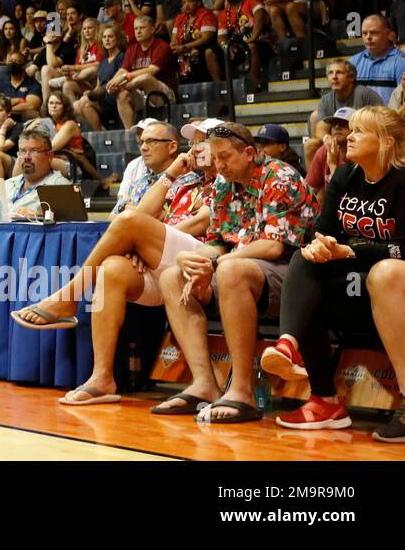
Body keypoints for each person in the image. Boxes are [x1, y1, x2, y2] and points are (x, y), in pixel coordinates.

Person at [11, 137, 216, 403]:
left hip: (198, 257)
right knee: (111, 269)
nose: (195, 147)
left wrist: (144, 241)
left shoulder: (225, 181)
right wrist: (171, 174)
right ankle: (102, 377)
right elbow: (144, 214)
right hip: (163, 261)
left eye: (203, 142)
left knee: (127, 221)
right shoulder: (185, 183)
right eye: (193, 142)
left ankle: (68, 297)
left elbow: (199, 223)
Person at [155, 122, 317, 423]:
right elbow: (217, 243)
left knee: (231, 270)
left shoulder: (279, 177)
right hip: (242, 266)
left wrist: (216, 264)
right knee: (172, 276)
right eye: (214, 158)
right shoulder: (220, 185)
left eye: (225, 157)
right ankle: (204, 384)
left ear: (250, 153)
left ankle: (242, 390)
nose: (219, 165)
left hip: (296, 275)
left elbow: (273, 247)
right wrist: (193, 260)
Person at [261, 107, 405, 440]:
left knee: (384, 272)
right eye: (349, 129)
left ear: (386, 142)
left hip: (394, 289)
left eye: (359, 131)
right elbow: (323, 231)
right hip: (357, 287)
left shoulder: (401, 181)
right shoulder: (344, 176)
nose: (347, 136)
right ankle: (312, 383)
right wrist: (318, 245)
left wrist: (352, 250)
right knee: (305, 259)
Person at [306, 58, 383, 169]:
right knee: (311, 144)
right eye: (330, 73)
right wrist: (327, 138)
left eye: (339, 72)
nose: (334, 77)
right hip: (338, 140)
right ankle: (312, 182)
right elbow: (320, 129)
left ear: (351, 77)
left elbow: (381, 124)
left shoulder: (366, 95)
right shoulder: (326, 99)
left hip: (362, 139)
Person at [108, 16, 178, 129]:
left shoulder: (162, 46)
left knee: (145, 77)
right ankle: (130, 134)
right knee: (122, 95)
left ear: (152, 30)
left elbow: (152, 70)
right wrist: (113, 82)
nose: (138, 32)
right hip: (141, 94)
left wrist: (126, 78)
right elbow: (122, 70)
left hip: (163, 95)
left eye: (142, 28)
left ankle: (126, 86)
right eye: (136, 29)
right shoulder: (132, 49)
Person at [111, 119, 183, 215]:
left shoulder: (186, 182)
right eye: (141, 142)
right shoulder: (141, 181)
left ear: (172, 147)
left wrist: (126, 207)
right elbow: (113, 217)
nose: (143, 148)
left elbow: (159, 218)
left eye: (151, 141)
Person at [2, 125, 72, 219]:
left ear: (50, 156)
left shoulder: (62, 187)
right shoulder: (6, 185)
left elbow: (69, 223)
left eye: (34, 151)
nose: (26, 157)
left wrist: (37, 214)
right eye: (22, 151)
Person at [350, 14, 405, 103]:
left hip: (390, 116)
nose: (368, 37)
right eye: (364, 33)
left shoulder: (401, 62)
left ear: (388, 34)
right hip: (358, 116)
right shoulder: (353, 62)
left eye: (374, 32)